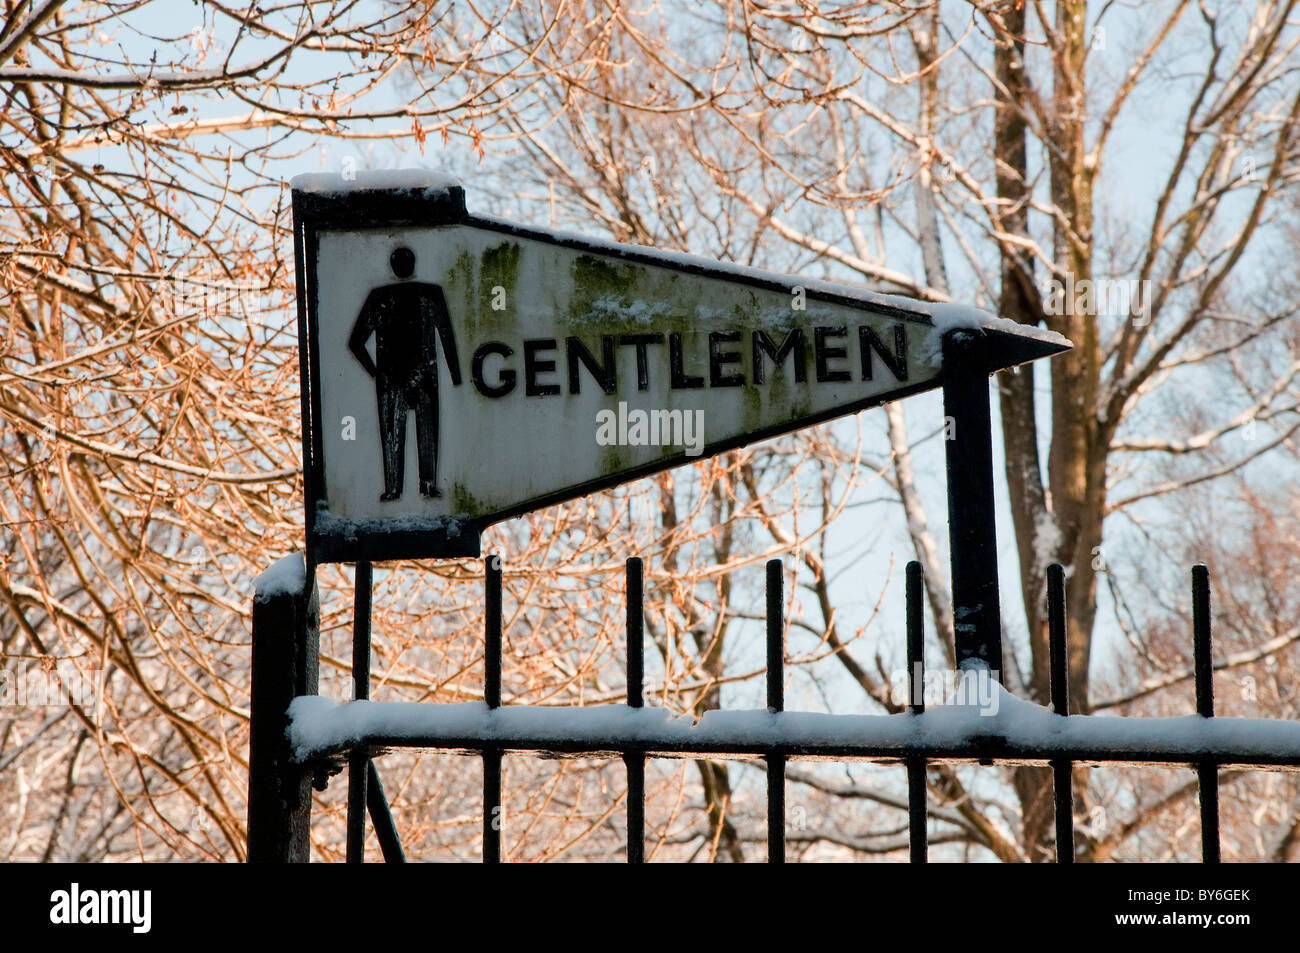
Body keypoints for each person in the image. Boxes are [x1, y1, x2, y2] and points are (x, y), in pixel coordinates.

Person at [348, 246, 461, 500]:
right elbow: (447, 339)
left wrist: (375, 372)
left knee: (392, 435)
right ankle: (427, 486)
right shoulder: (430, 294)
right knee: (426, 433)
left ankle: (393, 489)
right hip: (423, 377)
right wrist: (456, 377)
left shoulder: (379, 297)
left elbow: (356, 343)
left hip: (392, 380)